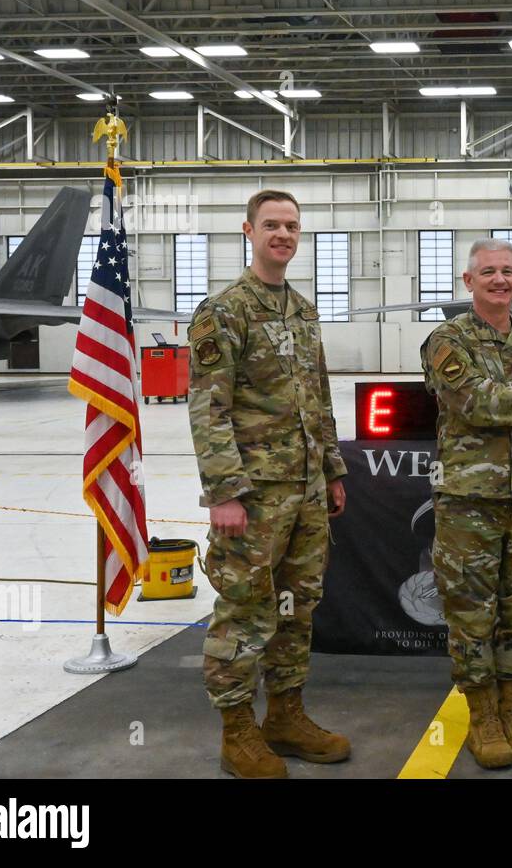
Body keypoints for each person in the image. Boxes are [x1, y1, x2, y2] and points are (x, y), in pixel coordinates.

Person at [189, 189, 350, 780]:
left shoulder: (303, 311)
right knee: (243, 609)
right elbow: (208, 407)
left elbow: (319, 399)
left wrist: (332, 470)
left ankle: (285, 716)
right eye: (272, 225)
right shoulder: (223, 311)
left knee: (295, 607)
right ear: (248, 231)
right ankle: (237, 732)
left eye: (291, 226)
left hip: (305, 493)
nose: (283, 234)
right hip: (253, 498)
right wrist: (224, 492)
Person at [420, 238, 512, 770]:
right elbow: (474, 403)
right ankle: (482, 715)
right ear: (469, 282)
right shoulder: (446, 340)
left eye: (509, 272)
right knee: (471, 613)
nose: (501, 280)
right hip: (469, 503)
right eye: (489, 272)